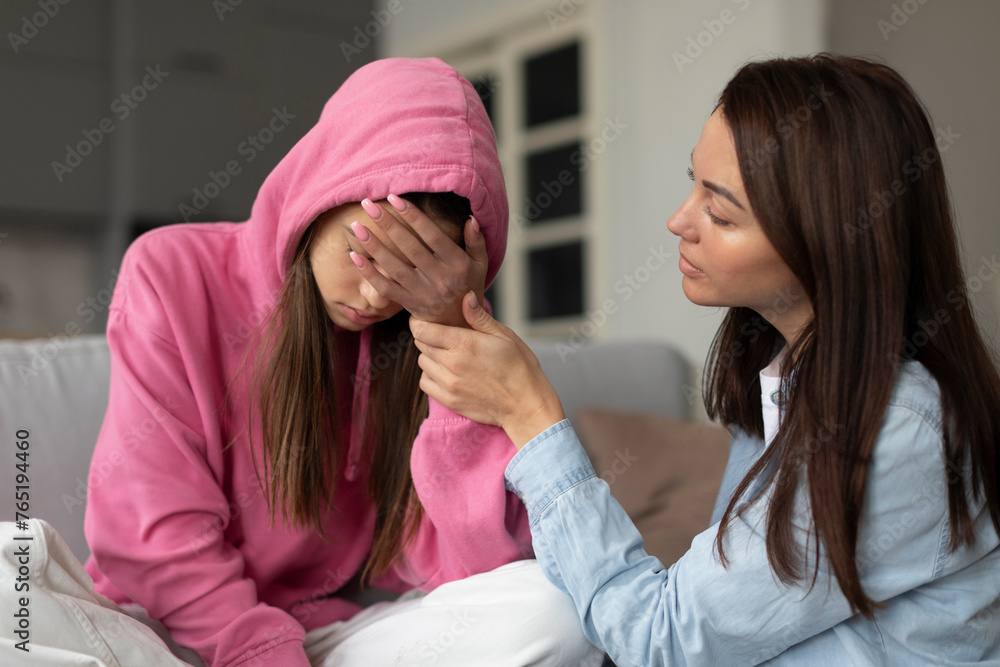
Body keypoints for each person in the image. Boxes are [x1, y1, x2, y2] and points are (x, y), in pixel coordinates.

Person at [364, 54, 1000, 665]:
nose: (679, 221)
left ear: (826, 241)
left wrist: (532, 416)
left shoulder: (893, 429)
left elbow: (661, 643)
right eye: (691, 183)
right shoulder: (790, 389)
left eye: (720, 213)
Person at [0, 58, 605, 667]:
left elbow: (471, 571)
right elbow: (152, 539)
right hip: (161, 633)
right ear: (318, 199)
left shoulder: (420, 333)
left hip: (322, 639)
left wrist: (451, 331)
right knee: (8, 568)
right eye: (364, 253)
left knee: (555, 609)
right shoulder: (170, 273)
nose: (376, 297)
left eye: (413, 274)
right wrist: (263, 654)